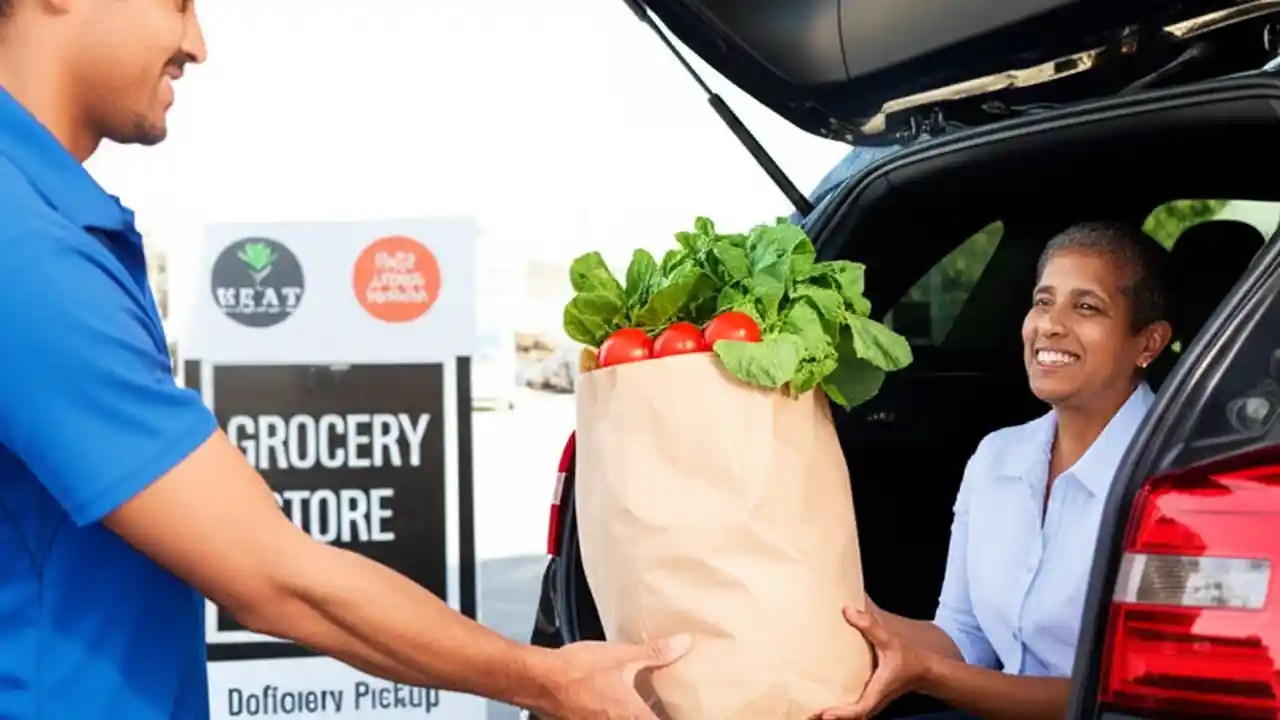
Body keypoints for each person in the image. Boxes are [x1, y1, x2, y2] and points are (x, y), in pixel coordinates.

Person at [0, 2, 689, 719]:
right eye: (177, 3)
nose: (196, 44)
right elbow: (272, 576)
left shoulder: (44, 221)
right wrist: (547, 679)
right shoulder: (23, 247)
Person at [818, 221, 1175, 720]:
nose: (1049, 325)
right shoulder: (996, 457)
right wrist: (854, 615)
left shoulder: (1175, 481)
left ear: (1149, 343)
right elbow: (965, 636)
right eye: (1043, 301)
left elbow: (1125, 698)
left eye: (1087, 306)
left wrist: (926, 672)